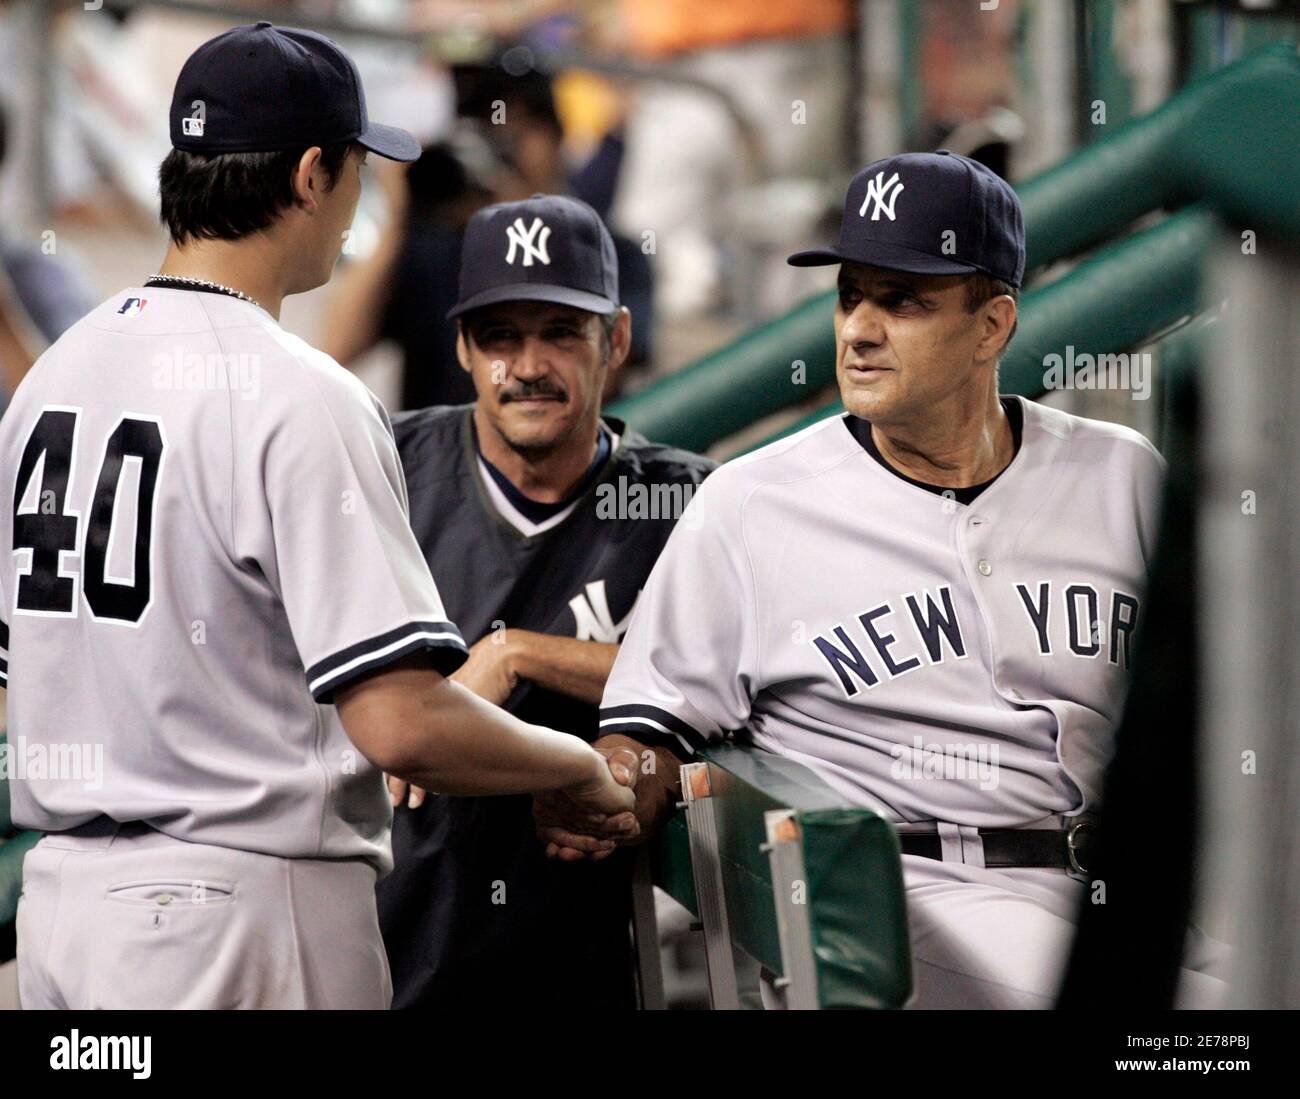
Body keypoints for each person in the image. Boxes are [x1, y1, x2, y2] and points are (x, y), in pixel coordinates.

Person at [0, 21, 632, 1011]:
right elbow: (401, 724)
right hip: (238, 915)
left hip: (63, 914)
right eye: (354, 169)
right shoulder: (297, 392)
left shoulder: (56, 375)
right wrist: (574, 762)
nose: (357, 203)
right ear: (309, 175)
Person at [572, 151, 1227, 1007]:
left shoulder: (1120, 473)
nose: (857, 329)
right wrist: (607, 780)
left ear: (993, 326)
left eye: (903, 300)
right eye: (851, 295)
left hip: (1136, 887)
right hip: (918, 897)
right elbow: (647, 725)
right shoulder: (751, 503)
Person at [379, 193, 713, 1010]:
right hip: (372, 944)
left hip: (579, 961)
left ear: (618, 341)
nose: (528, 365)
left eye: (561, 332)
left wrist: (517, 652)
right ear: (461, 347)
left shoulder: (689, 504)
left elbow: (727, 672)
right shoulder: (382, 471)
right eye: (501, 336)